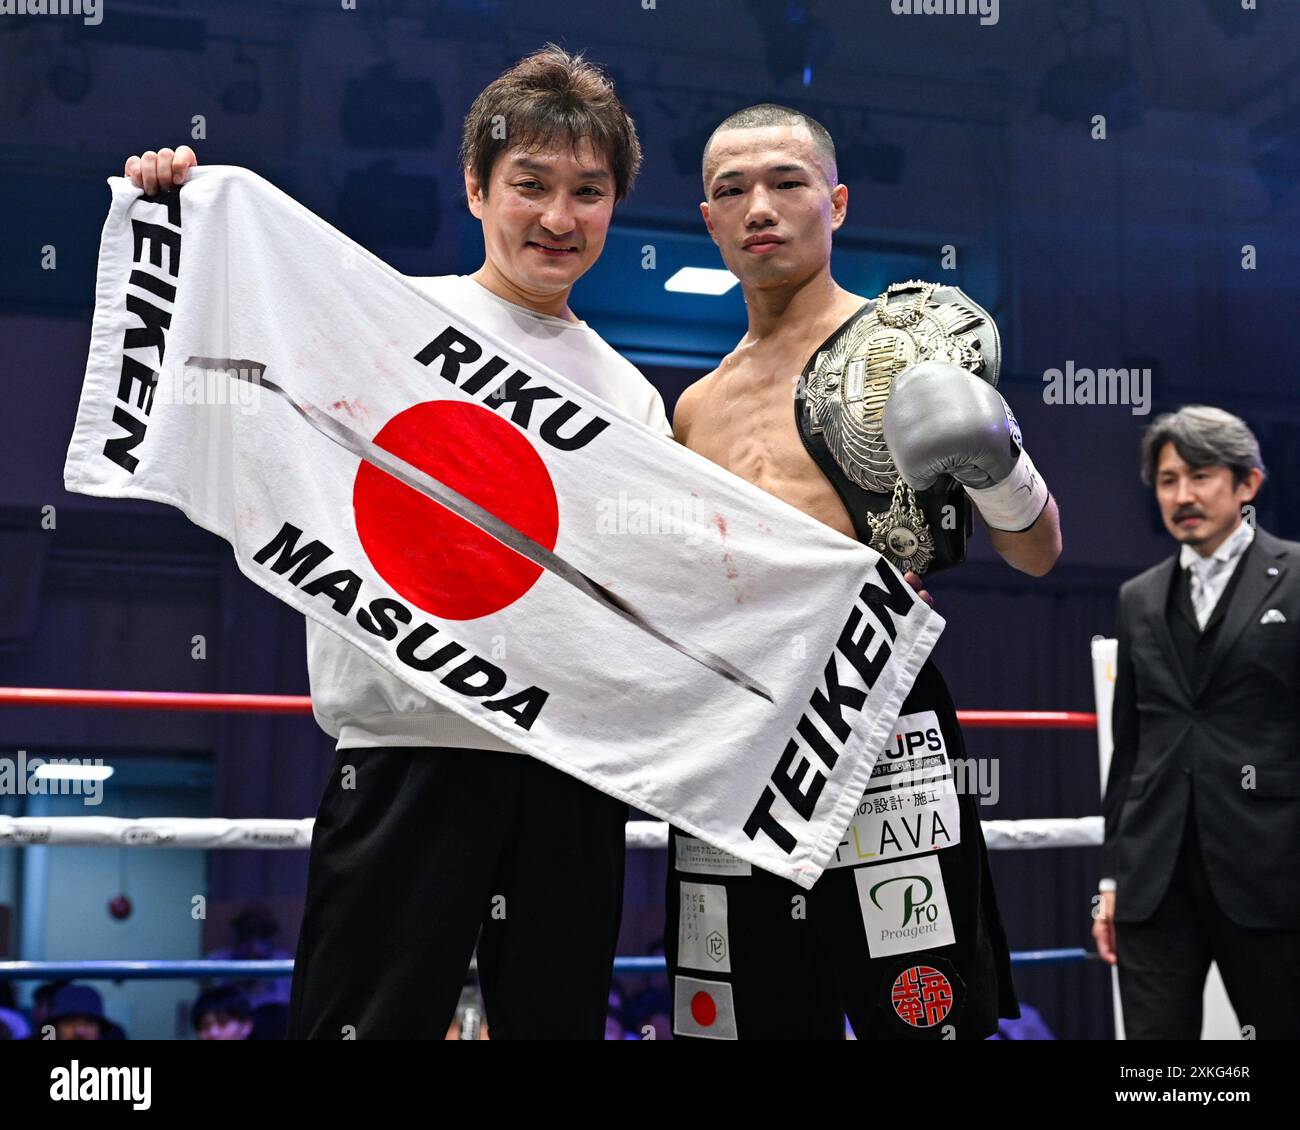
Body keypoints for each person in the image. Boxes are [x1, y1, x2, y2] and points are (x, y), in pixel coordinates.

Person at [123, 44, 671, 1040]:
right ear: (475, 187)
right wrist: (179, 216)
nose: (559, 217)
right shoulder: (382, 323)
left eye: (587, 191)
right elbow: (223, 350)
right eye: (531, 184)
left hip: (567, 769)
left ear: (613, 205)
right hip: (402, 752)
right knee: (361, 1025)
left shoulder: (631, 394)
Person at [664, 103, 1061, 1040]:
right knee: (743, 1020)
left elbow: (1038, 553)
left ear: (835, 203)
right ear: (710, 221)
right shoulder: (692, 408)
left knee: (922, 1018)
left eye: (787, 183)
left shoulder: (910, 356)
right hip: (737, 735)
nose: (760, 206)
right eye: (732, 190)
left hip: (880, 711)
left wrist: (999, 465)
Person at [1093, 405, 1300, 1040]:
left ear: (1248, 485)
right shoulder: (1139, 597)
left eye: (1202, 475)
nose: (1182, 495)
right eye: (1167, 480)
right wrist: (1111, 878)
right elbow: (1129, 746)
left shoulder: (1295, 577)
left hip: (1275, 875)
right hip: (1155, 881)